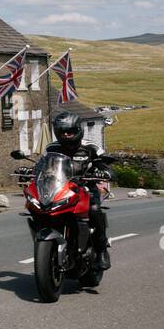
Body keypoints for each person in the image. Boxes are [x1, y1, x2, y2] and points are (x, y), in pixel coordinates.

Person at [46, 110, 112, 269]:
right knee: (42, 209)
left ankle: (101, 250)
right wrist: (31, 171)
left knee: (94, 210)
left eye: (70, 131)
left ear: (78, 130)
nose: (67, 134)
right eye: (63, 131)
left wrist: (104, 171)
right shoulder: (51, 148)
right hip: (60, 188)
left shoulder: (91, 147)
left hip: (86, 188)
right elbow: (43, 165)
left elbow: (105, 165)